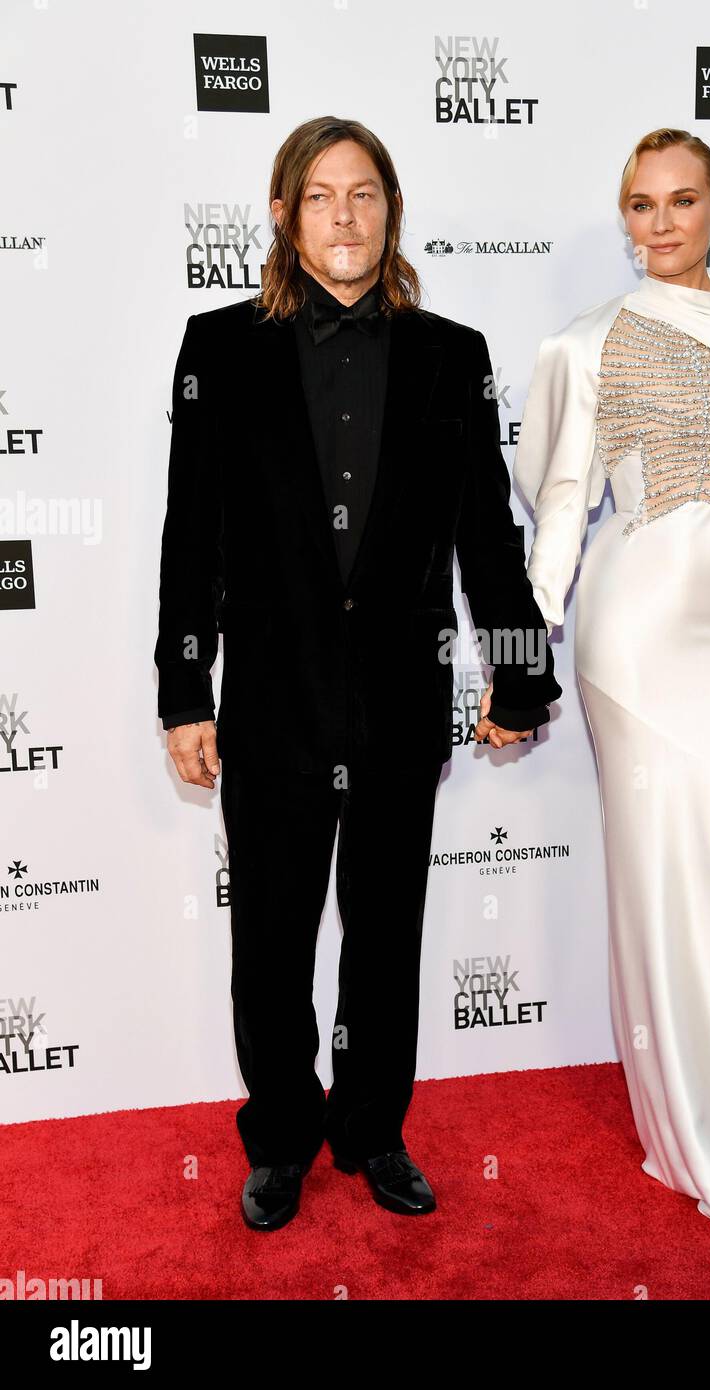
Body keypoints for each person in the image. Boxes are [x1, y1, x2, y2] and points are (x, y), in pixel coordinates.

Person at [154, 116, 560, 1231]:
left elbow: (489, 535)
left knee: (386, 935)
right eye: (320, 194)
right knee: (272, 939)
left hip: (396, 701)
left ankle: (373, 1130)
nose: (345, 214)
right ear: (284, 214)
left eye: (364, 193)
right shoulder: (219, 349)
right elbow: (193, 535)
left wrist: (520, 673)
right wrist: (184, 689)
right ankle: (280, 1135)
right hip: (273, 705)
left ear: (391, 208)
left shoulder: (452, 355)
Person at [512, 127, 710, 1242]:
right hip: (635, 635)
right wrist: (523, 653)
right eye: (640, 205)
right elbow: (560, 503)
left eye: (681, 202)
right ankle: (697, 1127)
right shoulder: (582, 343)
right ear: (623, 216)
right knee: (672, 872)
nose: (660, 223)